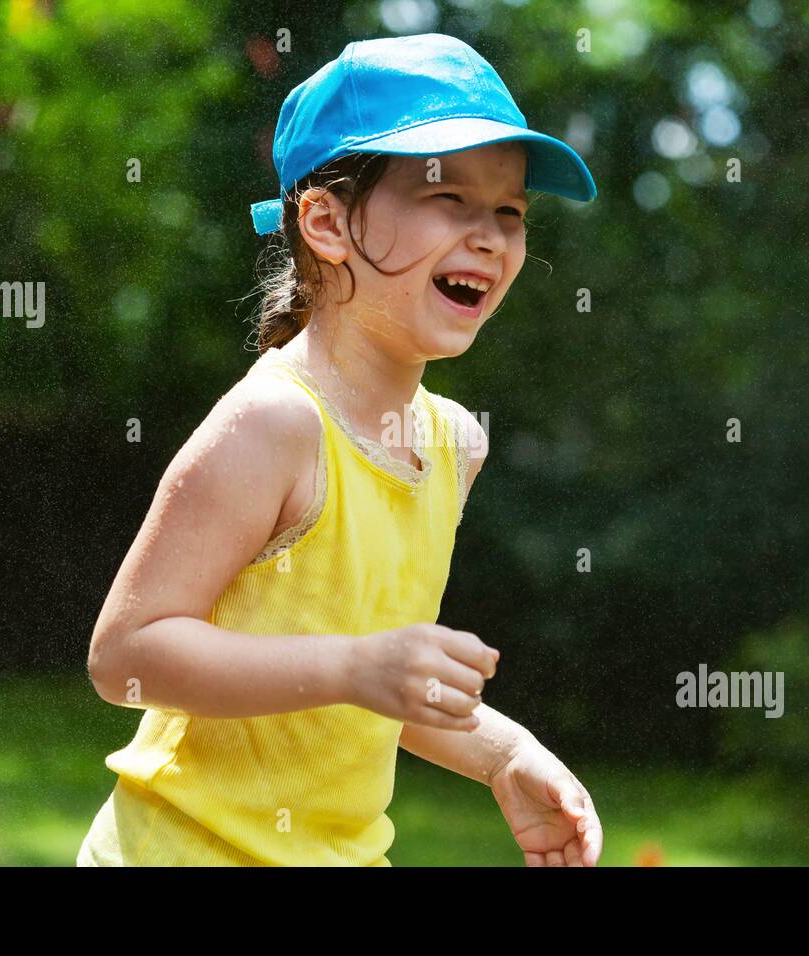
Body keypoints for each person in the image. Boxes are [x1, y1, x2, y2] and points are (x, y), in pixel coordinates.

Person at [78, 32, 602, 866]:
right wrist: (354, 667)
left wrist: (503, 755)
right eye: (449, 198)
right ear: (326, 222)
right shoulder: (276, 424)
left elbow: (379, 683)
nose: (491, 237)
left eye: (509, 212)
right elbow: (124, 657)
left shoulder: (453, 444)